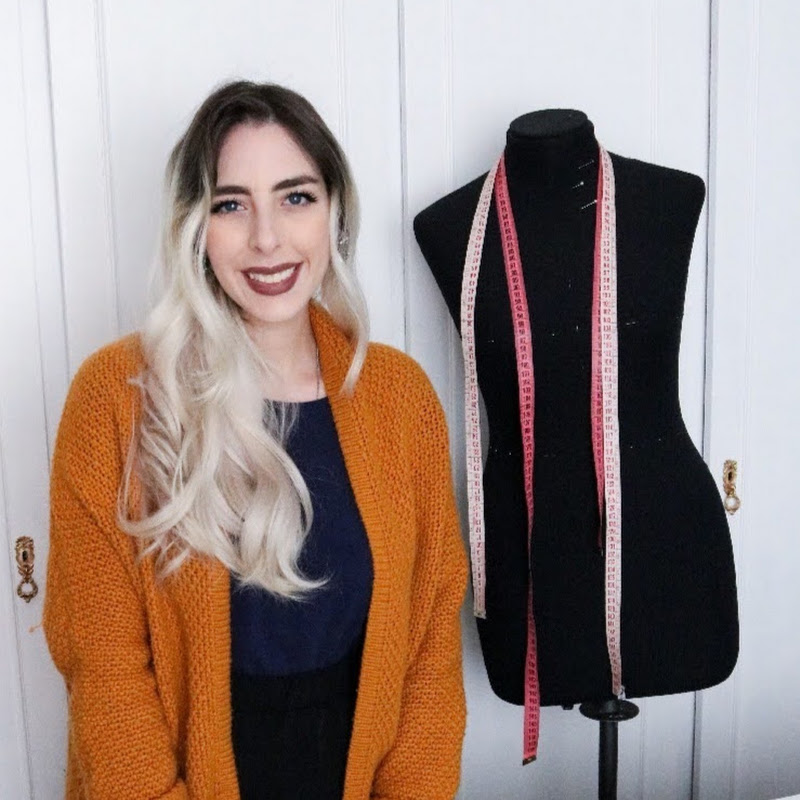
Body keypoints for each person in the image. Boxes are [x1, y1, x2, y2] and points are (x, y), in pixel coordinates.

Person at [43, 80, 467, 800]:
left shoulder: (399, 397)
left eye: (296, 197)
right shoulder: (115, 399)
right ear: (194, 226)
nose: (267, 238)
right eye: (231, 204)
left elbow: (430, 641)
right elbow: (104, 667)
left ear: (334, 210)